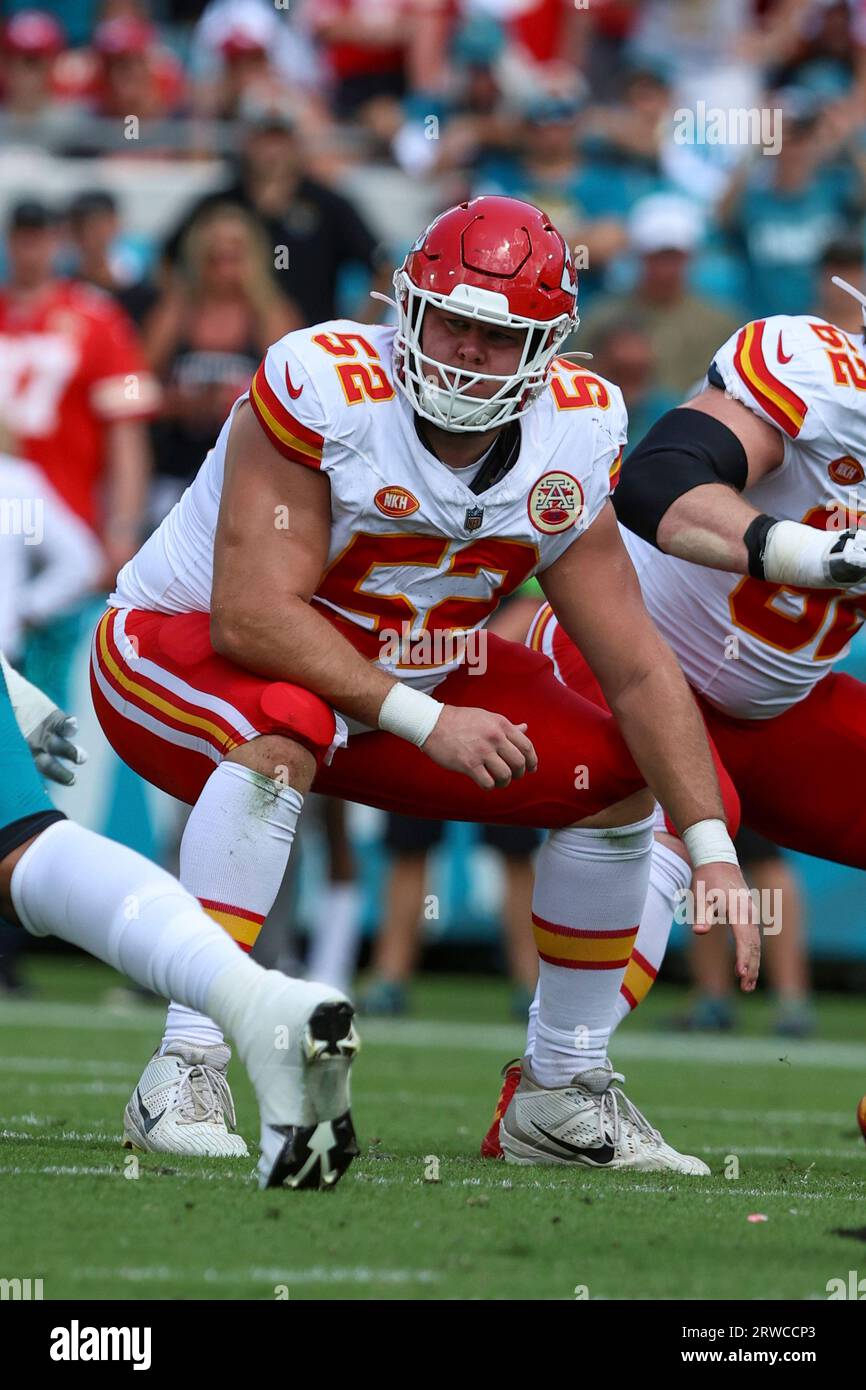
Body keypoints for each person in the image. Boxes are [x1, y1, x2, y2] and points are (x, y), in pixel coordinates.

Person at [90, 194, 757, 1174]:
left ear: (545, 348)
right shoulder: (323, 383)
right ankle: (184, 1065)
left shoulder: (573, 432)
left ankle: (558, 1089)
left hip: (393, 686)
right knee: (284, 722)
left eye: (496, 335)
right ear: (407, 304)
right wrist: (425, 717)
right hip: (178, 654)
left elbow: (636, 660)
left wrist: (707, 849)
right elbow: (251, 617)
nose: (464, 351)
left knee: (618, 777)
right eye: (449, 320)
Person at [482, 289, 866, 1156]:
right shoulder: (825, 377)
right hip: (633, 659)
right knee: (688, 811)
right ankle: (555, 1089)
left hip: (779, 702)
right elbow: (661, 481)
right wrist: (827, 555)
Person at [0, 650, 358, 1190]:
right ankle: (246, 1000)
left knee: (20, 855)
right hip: (156, 637)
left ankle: (220, 1021)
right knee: (23, 856)